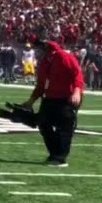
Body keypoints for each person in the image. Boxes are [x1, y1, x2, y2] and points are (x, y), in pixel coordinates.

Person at [20, 39, 84, 167]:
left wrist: (76, 91)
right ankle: (54, 154)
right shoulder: (44, 63)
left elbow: (77, 74)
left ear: (48, 50)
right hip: (50, 97)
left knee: (64, 127)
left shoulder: (64, 57)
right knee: (43, 123)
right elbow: (41, 85)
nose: (37, 52)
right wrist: (31, 101)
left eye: (40, 49)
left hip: (67, 97)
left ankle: (60, 158)